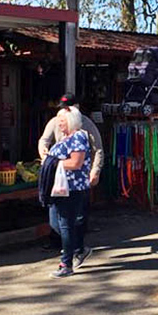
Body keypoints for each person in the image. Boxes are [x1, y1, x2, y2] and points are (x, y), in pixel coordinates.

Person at [38, 93, 104, 249]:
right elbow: (44, 140)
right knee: (56, 214)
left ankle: (76, 248)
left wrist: (95, 170)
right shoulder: (55, 122)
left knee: (78, 216)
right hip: (59, 176)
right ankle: (61, 245)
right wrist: (44, 155)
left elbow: (98, 149)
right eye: (62, 109)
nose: (64, 114)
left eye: (68, 108)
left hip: (78, 177)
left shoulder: (86, 126)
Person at [45, 106, 92, 277]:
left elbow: (76, 163)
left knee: (65, 224)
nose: (58, 123)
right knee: (56, 223)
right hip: (59, 188)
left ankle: (66, 263)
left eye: (62, 120)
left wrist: (53, 163)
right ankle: (78, 249)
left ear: (71, 121)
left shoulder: (78, 136)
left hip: (72, 188)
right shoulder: (65, 138)